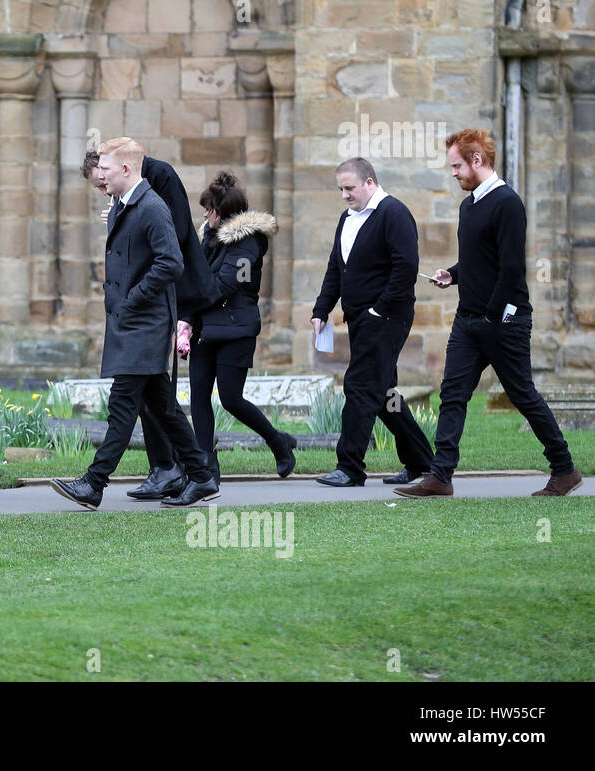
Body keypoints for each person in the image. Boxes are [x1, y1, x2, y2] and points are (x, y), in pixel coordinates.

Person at [397, 130, 581, 498]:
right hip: (469, 321)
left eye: (456, 166)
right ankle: (440, 476)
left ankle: (564, 469)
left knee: (522, 394)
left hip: (503, 322)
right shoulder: (469, 205)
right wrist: (454, 274)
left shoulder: (508, 203)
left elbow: (511, 268)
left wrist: (492, 318)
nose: (453, 174)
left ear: (477, 160)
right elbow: (480, 260)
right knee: (452, 393)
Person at [51, 138, 216, 511]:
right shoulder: (126, 206)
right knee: (163, 408)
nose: (101, 178)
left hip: (146, 324)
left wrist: (134, 298)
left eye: (106, 170)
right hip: (133, 323)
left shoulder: (152, 207)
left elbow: (171, 262)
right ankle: (202, 477)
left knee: (122, 405)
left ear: (126, 169)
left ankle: (94, 483)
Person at [311, 158, 434, 487]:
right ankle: (422, 461)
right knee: (382, 392)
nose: (344, 195)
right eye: (340, 189)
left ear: (369, 182)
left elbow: (406, 267)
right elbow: (336, 268)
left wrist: (380, 309)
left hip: (387, 318)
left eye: (349, 188)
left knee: (360, 386)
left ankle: (349, 467)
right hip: (360, 318)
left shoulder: (393, 213)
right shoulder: (347, 218)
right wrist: (321, 310)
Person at [179, 172, 295, 480]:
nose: (204, 214)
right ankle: (205, 466)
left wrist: (190, 295)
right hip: (206, 329)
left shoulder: (249, 241)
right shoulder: (209, 237)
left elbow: (222, 285)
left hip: (235, 329)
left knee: (231, 398)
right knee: (199, 396)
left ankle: (278, 441)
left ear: (224, 210)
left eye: (209, 208)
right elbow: (196, 277)